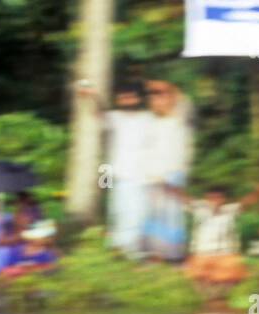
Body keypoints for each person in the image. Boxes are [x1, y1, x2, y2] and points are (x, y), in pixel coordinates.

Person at [78, 82, 152, 256]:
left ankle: (135, 251)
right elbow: (101, 112)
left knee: (139, 213)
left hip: (143, 175)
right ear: (119, 100)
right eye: (123, 97)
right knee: (118, 211)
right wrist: (93, 95)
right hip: (117, 173)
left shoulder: (148, 118)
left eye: (130, 96)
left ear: (138, 98)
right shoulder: (115, 117)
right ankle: (119, 248)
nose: (127, 100)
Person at [174, 183, 259, 293]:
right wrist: (168, 186)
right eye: (212, 198)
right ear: (207, 198)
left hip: (225, 255)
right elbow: (184, 198)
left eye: (218, 198)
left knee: (230, 282)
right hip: (202, 255)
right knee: (198, 283)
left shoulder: (230, 210)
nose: (215, 201)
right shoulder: (199, 208)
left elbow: (246, 202)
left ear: (224, 199)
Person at [141, 80, 194, 262]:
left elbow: (184, 100)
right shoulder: (149, 122)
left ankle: (175, 256)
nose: (157, 102)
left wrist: (164, 86)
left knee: (173, 216)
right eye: (154, 98)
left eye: (162, 97)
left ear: (171, 99)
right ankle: (155, 255)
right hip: (152, 177)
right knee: (154, 217)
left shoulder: (180, 118)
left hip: (174, 176)